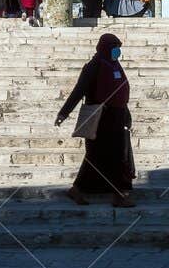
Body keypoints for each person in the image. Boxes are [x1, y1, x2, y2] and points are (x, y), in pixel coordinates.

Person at [55, 32, 136, 207]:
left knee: (114, 154)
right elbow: (79, 90)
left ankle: (85, 190)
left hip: (117, 117)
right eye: (114, 48)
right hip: (99, 118)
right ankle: (116, 194)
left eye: (118, 48)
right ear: (106, 48)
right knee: (99, 155)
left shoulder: (115, 65)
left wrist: (126, 115)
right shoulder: (94, 66)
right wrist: (64, 113)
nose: (117, 51)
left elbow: (121, 92)